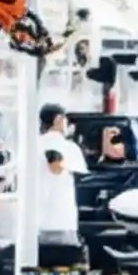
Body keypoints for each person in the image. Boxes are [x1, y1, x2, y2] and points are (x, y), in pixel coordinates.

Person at [37, 103, 88, 247]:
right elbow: (56, 168)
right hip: (61, 220)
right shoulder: (69, 148)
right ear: (58, 120)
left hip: (34, 222)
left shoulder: (32, 144)